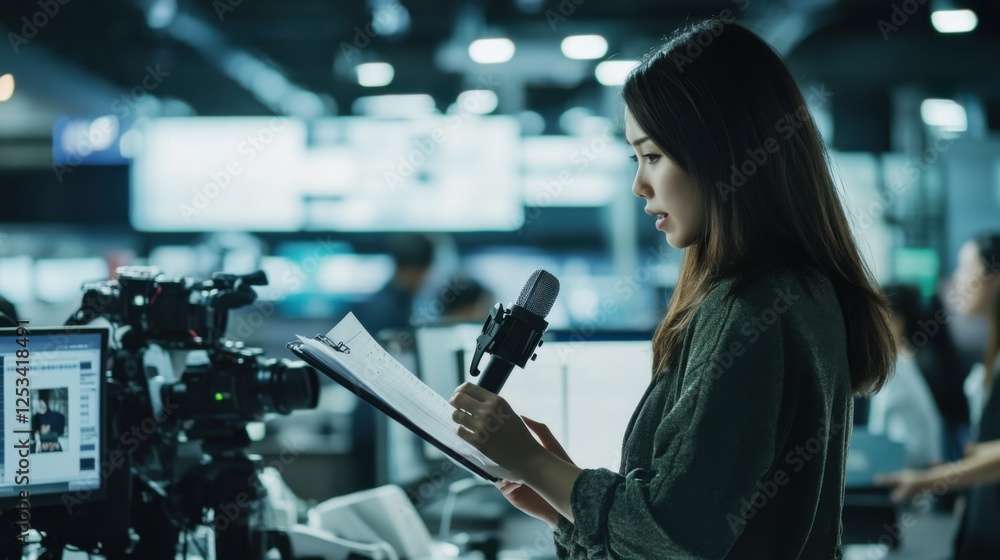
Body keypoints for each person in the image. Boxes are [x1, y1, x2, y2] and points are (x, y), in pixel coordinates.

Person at [448, 19, 897, 558]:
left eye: (653, 156)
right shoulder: (799, 290)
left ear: (720, 151)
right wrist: (558, 498)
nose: (639, 184)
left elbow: (676, 534)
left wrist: (537, 463)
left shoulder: (752, 306)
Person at [877, 233, 1000, 559]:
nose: (955, 279)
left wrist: (927, 480)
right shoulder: (990, 354)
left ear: (994, 277)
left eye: (964, 267)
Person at [867, 284, 942, 468]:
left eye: (876, 318)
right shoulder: (909, 362)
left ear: (897, 324)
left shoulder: (896, 368)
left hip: (907, 479)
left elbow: (879, 439)